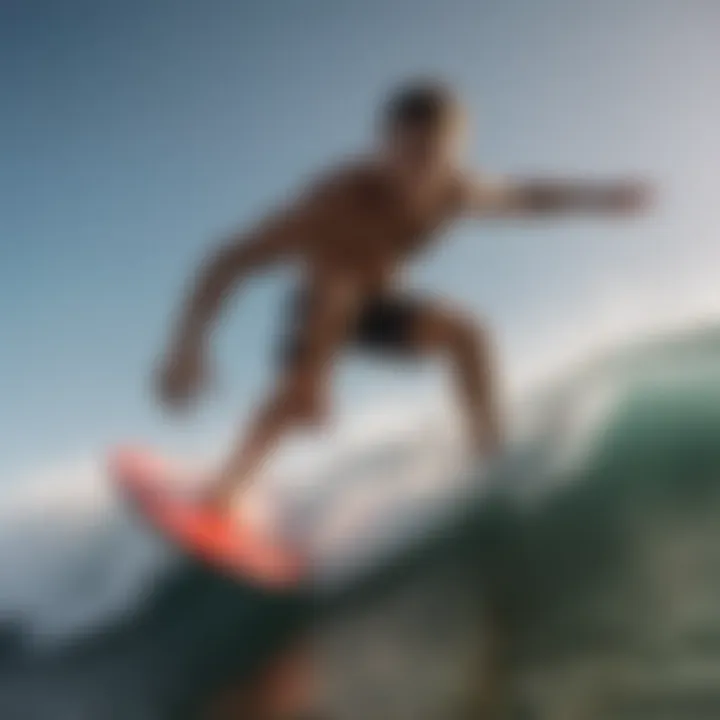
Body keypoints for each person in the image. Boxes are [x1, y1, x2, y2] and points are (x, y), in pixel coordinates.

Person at [156, 79, 649, 514]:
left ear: (454, 151)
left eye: (432, 156)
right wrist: (187, 345)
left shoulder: (456, 190)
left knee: (469, 334)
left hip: (381, 304)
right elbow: (228, 258)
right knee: (307, 369)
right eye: (405, 153)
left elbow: (526, 198)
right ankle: (226, 489)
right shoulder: (335, 199)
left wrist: (600, 198)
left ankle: (489, 457)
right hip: (318, 305)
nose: (416, 170)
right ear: (382, 145)